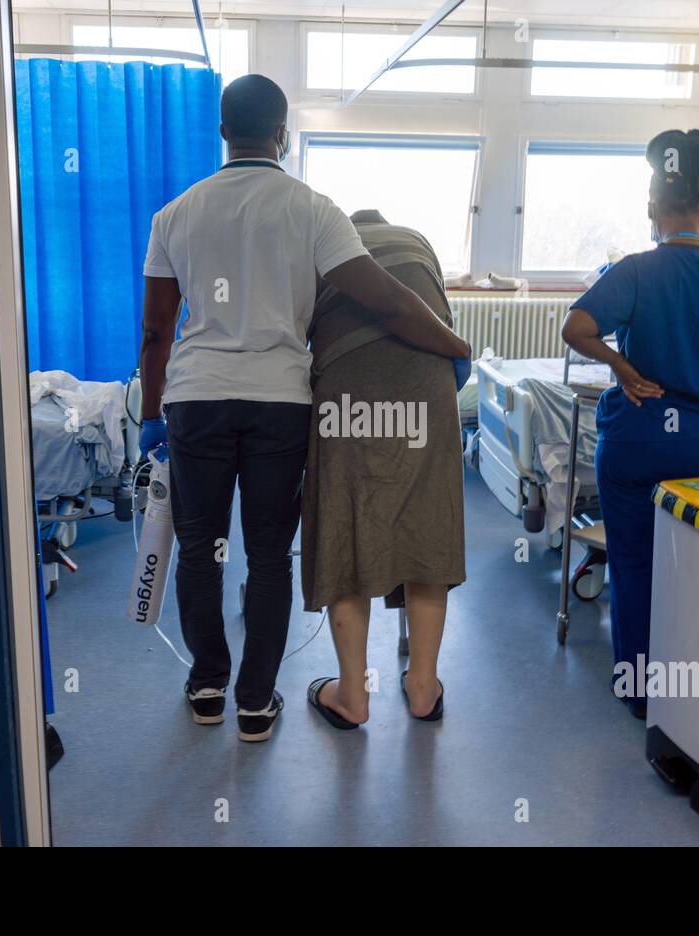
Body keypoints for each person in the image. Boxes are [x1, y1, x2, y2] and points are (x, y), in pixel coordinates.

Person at [139, 75, 470, 743]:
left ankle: (207, 687)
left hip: (196, 401)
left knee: (199, 550)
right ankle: (256, 703)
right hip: (278, 404)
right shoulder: (313, 210)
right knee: (267, 555)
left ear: (224, 132)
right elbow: (384, 300)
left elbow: (156, 330)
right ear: (283, 135)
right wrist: (454, 343)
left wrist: (151, 414)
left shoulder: (174, 214)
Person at [560, 129, 699, 719]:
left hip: (637, 443)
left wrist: (623, 366)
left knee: (634, 564)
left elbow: (577, 328)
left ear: (652, 209)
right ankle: (691, 696)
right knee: (698, 571)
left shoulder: (638, 270)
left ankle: (639, 690)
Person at [301, 210, 469, 729]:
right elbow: (433, 317)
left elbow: (305, 329)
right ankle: (422, 687)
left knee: (346, 527)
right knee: (426, 528)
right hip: (426, 387)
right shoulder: (418, 239)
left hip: (344, 396)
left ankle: (352, 694)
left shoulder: (322, 241)